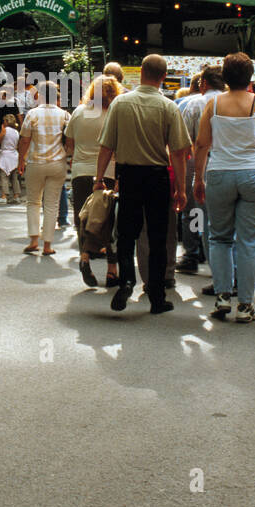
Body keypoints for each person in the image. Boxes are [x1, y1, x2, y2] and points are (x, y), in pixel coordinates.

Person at [193, 52, 255, 323]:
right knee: (248, 242)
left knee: (219, 238)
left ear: (224, 76)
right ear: (250, 78)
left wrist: (198, 178)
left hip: (220, 173)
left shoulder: (214, 104)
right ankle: (245, 305)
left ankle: (222, 296)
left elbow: (201, 144)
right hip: (254, 175)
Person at [95, 54, 190, 315]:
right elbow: (179, 152)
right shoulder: (169, 107)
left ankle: (126, 279)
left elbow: (106, 146)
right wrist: (181, 188)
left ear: (141, 73)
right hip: (158, 177)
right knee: (158, 238)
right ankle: (157, 296)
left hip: (129, 178)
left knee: (127, 234)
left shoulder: (120, 104)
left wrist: (99, 178)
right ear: (163, 76)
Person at [67, 74, 121, 286]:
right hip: (108, 171)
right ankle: (111, 269)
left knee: (84, 218)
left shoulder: (79, 112)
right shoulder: (113, 114)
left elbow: (69, 142)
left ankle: (84, 258)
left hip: (80, 171)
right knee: (108, 221)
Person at [175, 66, 224, 274]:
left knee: (194, 212)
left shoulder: (194, 104)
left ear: (203, 84)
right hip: (225, 163)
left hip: (197, 163)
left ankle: (192, 253)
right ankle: (220, 262)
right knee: (220, 218)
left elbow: (184, 141)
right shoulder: (232, 102)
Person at [18, 79, 72, 255]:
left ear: (39, 95)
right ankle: (48, 245)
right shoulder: (65, 115)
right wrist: (69, 155)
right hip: (57, 163)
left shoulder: (32, 114)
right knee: (52, 203)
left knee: (33, 201)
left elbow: (25, 140)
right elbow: (71, 139)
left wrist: (20, 160)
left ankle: (34, 239)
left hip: (35, 162)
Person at [0, 114, 22, 204]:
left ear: (6, 122)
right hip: (14, 154)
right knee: (14, 177)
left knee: (4, 176)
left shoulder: (5, 130)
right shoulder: (16, 132)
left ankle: (4, 196)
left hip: (6, 154)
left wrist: (2, 130)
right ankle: (16, 196)